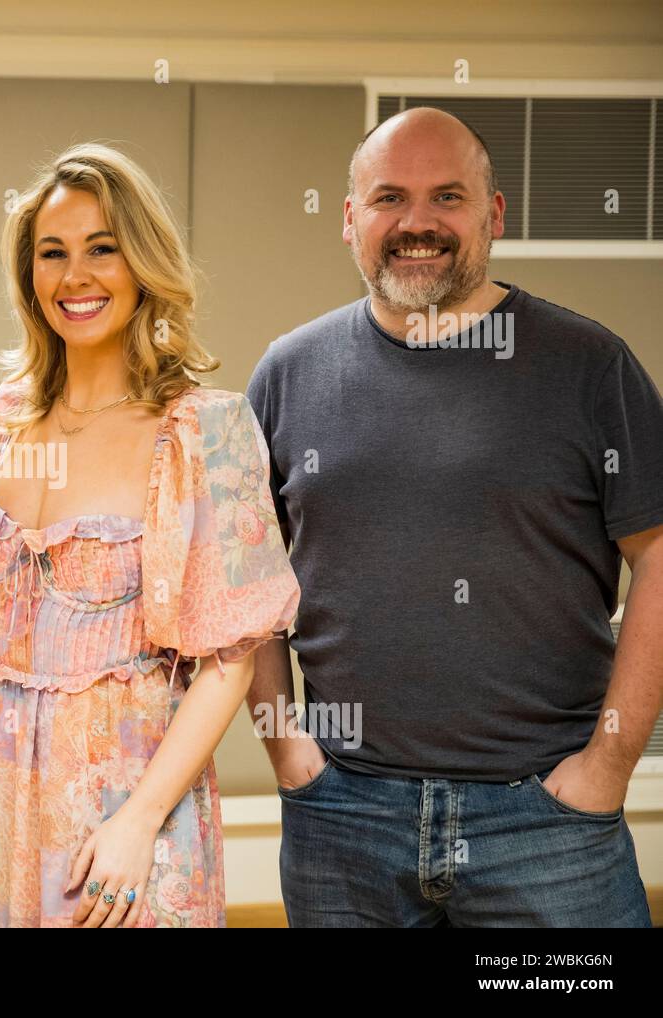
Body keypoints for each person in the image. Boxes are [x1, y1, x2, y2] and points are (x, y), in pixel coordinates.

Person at [247, 106, 663, 927]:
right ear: (350, 219)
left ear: (494, 213)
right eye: (389, 198)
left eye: (447, 196)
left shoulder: (590, 366)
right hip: (342, 818)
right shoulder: (288, 373)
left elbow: (656, 558)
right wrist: (286, 749)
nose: (417, 223)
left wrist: (608, 765)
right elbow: (248, 576)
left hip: (547, 822)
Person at [0, 143, 300, 927]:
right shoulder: (13, 411)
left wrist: (139, 821)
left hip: (125, 794)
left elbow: (230, 662)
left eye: (102, 248)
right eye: (52, 253)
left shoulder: (208, 429)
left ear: (142, 263)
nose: (76, 276)